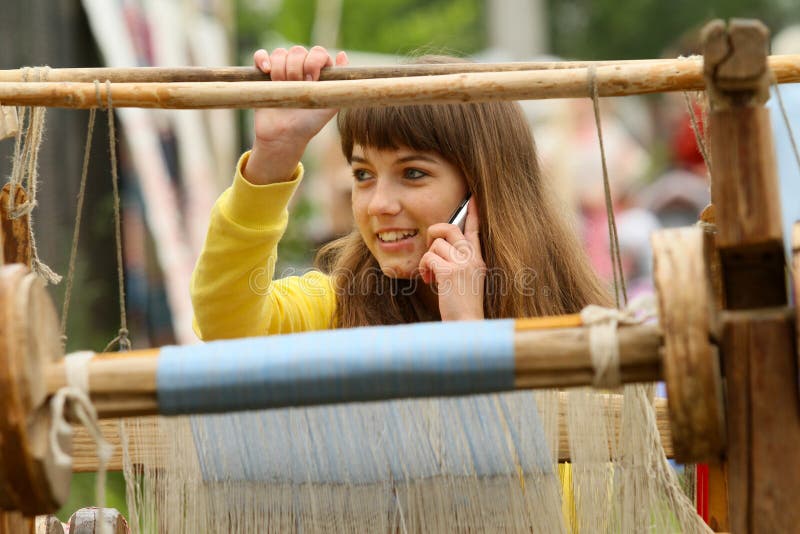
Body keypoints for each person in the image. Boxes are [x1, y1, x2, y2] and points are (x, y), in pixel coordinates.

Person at [190, 45, 609, 342]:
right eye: (363, 174)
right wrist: (273, 158)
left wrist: (469, 332)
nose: (378, 205)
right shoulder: (334, 307)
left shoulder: (574, 326)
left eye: (412, 173)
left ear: (483, 187)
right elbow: (225, 324)